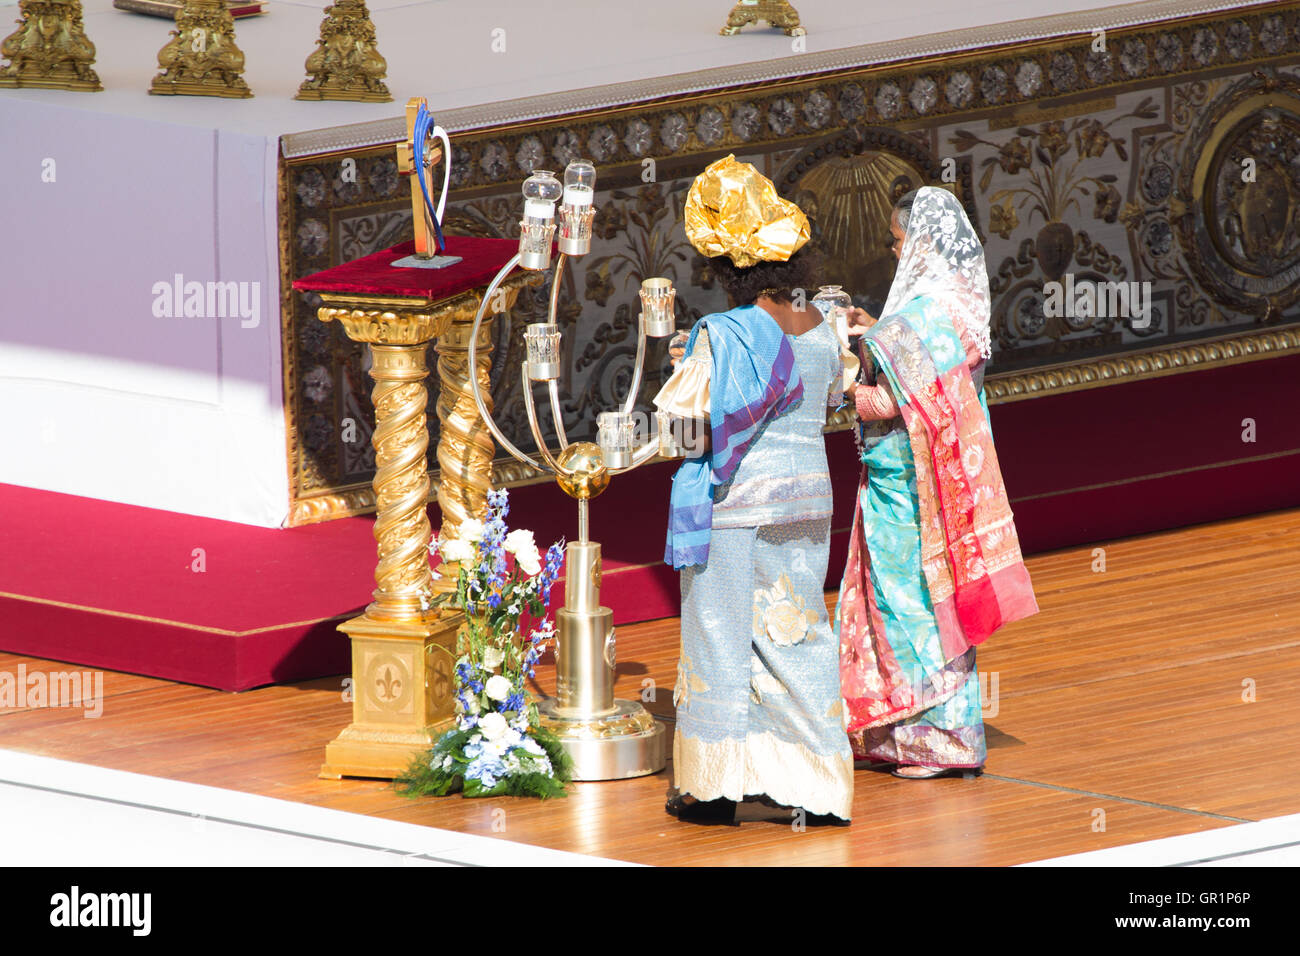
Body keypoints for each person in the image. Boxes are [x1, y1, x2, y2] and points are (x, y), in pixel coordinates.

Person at [654, 155, 857, 825]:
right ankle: (819, 787)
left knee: (720, 637)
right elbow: (831, 397)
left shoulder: (726, 334)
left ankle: (715, 789)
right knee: (797, 632)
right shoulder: (825, 329)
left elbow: (685, 433)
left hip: (736, 506)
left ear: (729, 270)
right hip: (809, 501)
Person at [835, 186, 1039, 779]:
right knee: (926, 597)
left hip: (912, 488)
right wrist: (876, 331)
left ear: (922, 241)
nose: (897, 254)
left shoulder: (930, 313)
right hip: (927, 479)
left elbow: (890, 404)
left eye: (900, 243)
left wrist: (842, 379)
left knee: (915, 603)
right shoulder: (955, 302)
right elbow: (925, 374)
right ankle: (905, 734)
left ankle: (940, 736)